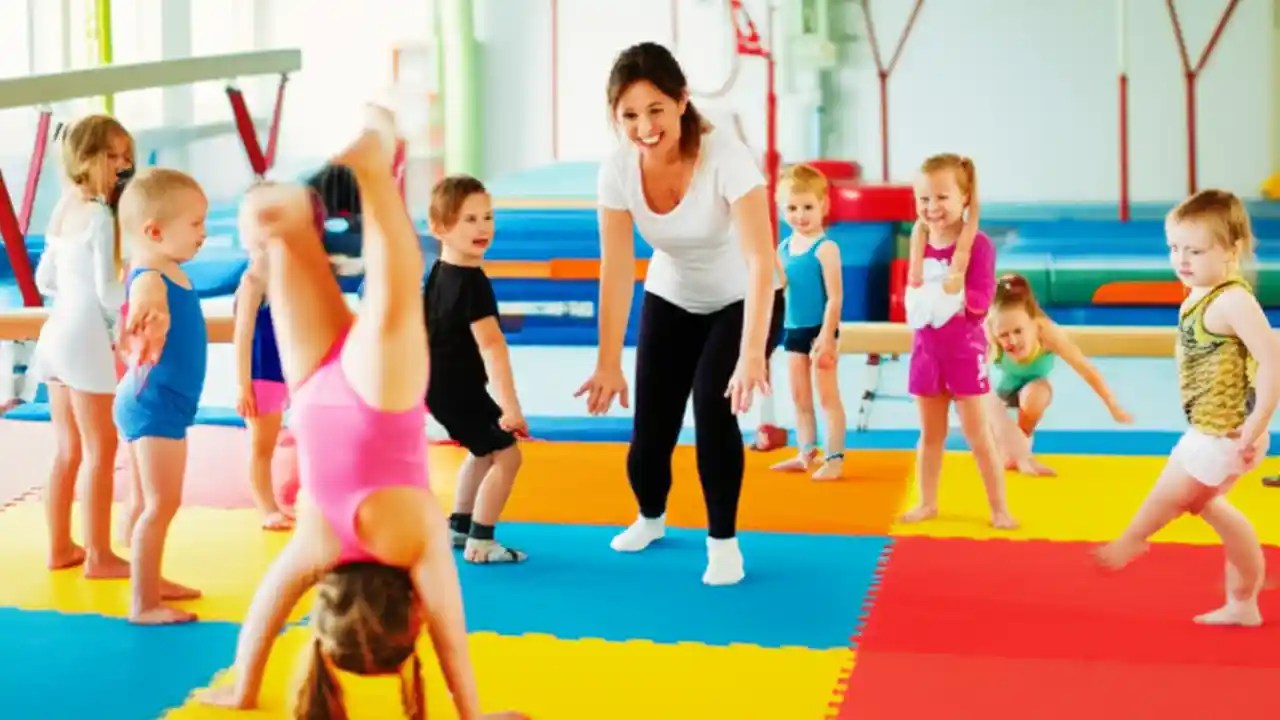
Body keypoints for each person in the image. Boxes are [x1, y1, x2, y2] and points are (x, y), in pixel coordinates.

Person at [194, 105, 524, 720]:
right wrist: (243, 686)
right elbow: (266, 609)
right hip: (313, 392)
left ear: (413, 611)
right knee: (295, 240)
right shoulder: (314, 548)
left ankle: (375, 171)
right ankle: (281, 227)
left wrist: (473, 714)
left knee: (397, 297)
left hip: (383, 398)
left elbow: (451, 638)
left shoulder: (417, 544)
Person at [575, 41, 774, 586]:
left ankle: (723, 544)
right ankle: (651, 517)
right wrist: (608, 360)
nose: (644, 127)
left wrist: (752, 353)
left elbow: (762, 260)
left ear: (682, 101)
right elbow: (616, 268)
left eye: (655, 110)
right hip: (673, 293)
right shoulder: (616, 169)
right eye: (629, 115)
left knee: (714, 408)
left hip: (745, 297)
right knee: (651, 429)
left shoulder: (726, 156)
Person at [1096, 189, 1277, 627]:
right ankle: (1243, 600)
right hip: (1215, 428)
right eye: (1174, 248)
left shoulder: (1233, 299)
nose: (1182, 258)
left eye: (1195, 250)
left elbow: (1272, 360)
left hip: (1226, 433)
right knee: (1209, 506)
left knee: (1175, 493)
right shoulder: (1197, 292)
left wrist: (1256, 425)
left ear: (1231, 251)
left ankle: (1132, 540)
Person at [29, 114, 133, 577]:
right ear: (84, 158)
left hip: (54, 338)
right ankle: (100, 555)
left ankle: (59, 547)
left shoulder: (64, 208)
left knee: (67, 449)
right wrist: (134, 277)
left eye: (125, 155)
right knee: (99, 450)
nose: (122, 165)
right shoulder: (100, 215)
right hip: (86, 337)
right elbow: (109, 294)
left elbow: (44, 278)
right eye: (112, 156)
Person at [113, 167, 211, 624]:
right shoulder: (151, 273)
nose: (204, 234)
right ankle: (144, 603)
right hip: (155, 405)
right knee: (160, 504)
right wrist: (146, 294)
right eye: (195, 225)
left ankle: (146, 579)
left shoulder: (161, 265)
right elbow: (143, 283)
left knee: (144, 501)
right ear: (154, 231)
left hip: (151, 399)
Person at [899, 153, 1016, 529]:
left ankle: (999, 508)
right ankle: (927, 502)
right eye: (924, 199)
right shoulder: (918, 243)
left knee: (978, 435)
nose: (932, 207)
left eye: (941, 197)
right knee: (929, 436)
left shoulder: (978, 245)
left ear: (965, 198)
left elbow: (982, 297)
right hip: (926, 353)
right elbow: (915, 299)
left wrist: (956, 296)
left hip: (964, 352)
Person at [424, 174, 527, 564]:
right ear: (440, 228)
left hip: (440, 388)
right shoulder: (472, 284)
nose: (483, 227)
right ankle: (481, 540)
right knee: (508, 456)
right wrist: (510, 407)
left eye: (487, 217)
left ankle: (459, 525)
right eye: (469, 219)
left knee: (482, 451)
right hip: (459, 390)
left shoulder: (436, 273)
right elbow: (493, 347)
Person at [986, 273, 1133, 465]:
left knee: (1034, 398)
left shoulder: (1048, 333)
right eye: (1004, 335)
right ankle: (1008, 444)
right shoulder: (987, 335)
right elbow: (976, 387)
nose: (1012, 340)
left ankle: (1023, 437)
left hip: (1033, 386)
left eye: (1018, 331)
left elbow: (1085, 369)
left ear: (1032, 322)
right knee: (991, 442)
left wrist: (1113, 406)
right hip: (1000, 389)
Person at [768, 164, 846, 480]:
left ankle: (835, 458)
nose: (800, 215)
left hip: (820, 330)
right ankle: (805, 452)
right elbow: (780, 287)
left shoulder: (826, 248)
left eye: (808, 207)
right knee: (800, 397)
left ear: (823, 206)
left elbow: (835, 298)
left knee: (827, 397)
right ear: (780, 207)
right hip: (793, 329)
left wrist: (827, 336)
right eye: (792, 208)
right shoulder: (783, 248)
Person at [232, 251, 294, 530]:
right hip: (260, 376)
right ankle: (266, 508)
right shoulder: (253, 280)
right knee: (261, 448)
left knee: (268, 445)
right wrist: (242, 384)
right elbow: (242, 334)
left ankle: (273, 505)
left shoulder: (281, 277)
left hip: (279, 373)